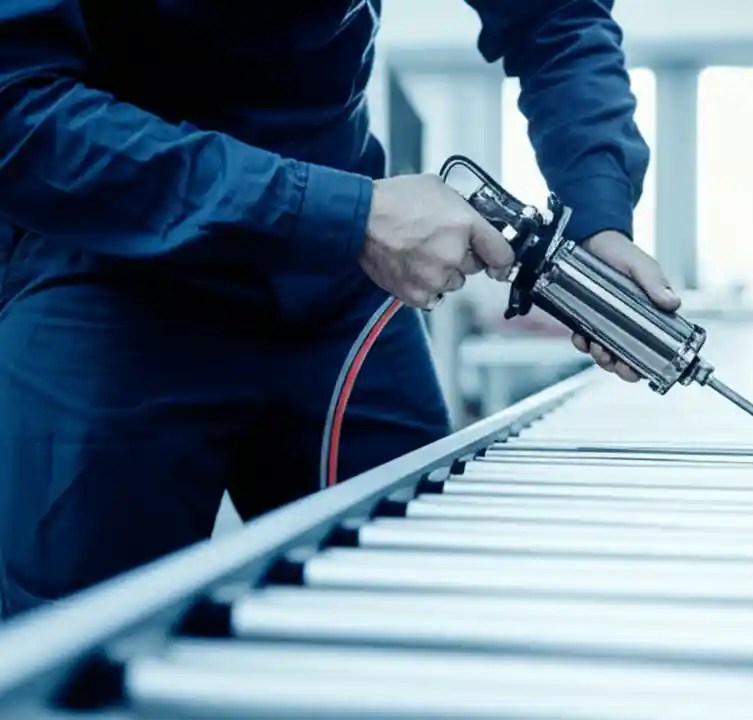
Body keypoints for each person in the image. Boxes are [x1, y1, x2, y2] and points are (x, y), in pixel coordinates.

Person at [0, 0, 678, 618]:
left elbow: (553, 18)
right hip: (112, 265)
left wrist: (597, 218)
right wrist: (346, 216)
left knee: (415, 616)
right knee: (68, 652)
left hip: (335, 290)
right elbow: (19, 110)